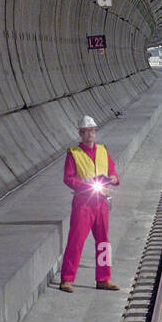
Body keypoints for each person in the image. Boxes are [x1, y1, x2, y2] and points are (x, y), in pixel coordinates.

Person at [59, 116, 120, 291]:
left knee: (103, 242)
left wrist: (113, 178)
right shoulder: (74, 153)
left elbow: (111, 169)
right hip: (83, 203)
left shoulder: (102, 150)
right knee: (76, 241)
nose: (90, 134)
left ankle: (104, 279)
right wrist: (86, 184)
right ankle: (66, 279)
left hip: (101, 202)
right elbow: (68, 178)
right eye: (86, 132)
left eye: (92, 131)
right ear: (80, 134)